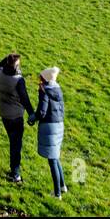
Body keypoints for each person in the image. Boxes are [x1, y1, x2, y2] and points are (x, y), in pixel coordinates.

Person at [0, 52, 35, 182]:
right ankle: (15, 174)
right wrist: (32, 114)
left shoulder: (0, 73)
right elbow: (25, 99)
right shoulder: (18, 81)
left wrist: (9, 57)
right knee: (16, 145)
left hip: (4, 114)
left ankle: (14, 170)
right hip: (16, 117)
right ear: (16, 67)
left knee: (13, 142)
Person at [29, 66, 66, 198]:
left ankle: (57, 194)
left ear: (44, 79)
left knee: (52, 161)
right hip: (59, 125)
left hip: (50, 127)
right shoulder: (58, 89)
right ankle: (62, 187)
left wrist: (32, 117)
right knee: (56, 158)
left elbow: (42, 112)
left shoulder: (44, 91)